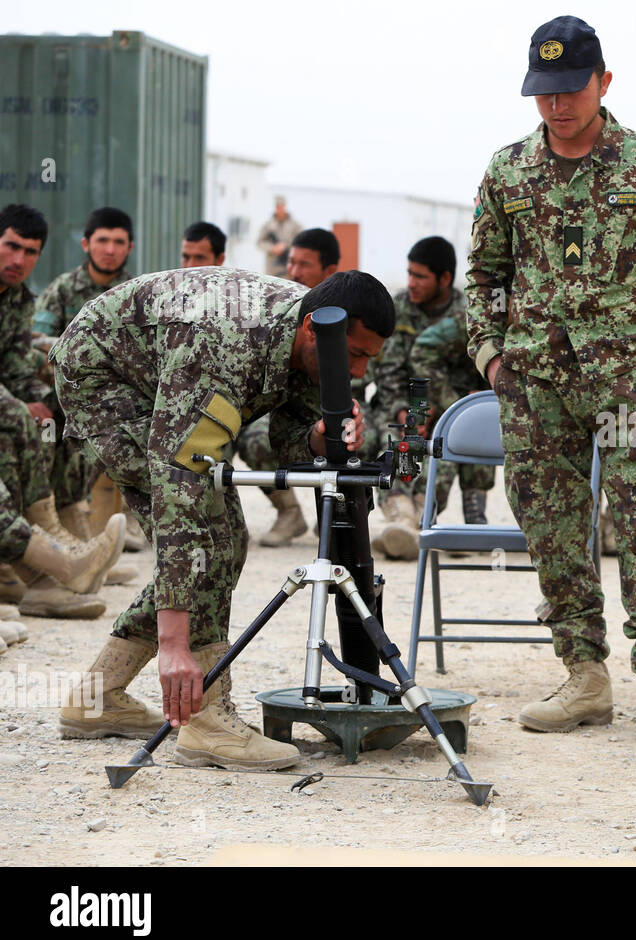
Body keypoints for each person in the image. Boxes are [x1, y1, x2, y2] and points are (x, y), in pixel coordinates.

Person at [467, 15, 636, 751]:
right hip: (535, 384)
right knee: (554, 531)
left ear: (604, 82)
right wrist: (493, 359)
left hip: (633, 382)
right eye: (544, 92)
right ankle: (583, 675)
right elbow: (484, 275)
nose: (557, 105)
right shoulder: (507, 172)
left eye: (571, 89)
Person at [52, 268, 393, 767]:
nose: (358, 370)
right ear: (309, 330)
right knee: (213, 533)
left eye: (366, 357)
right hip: (102, 376)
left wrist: (321, 437)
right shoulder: (220, 348)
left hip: (164, 375)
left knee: (223, 539)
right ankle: (206, 720)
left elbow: (284, 440)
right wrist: (173, 645)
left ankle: (97, 696)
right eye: (355, 355)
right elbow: (179, 491)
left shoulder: (320, 337)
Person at [0, 204, 127, 618]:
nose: (19, 260)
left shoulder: (17, 297)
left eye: (30, 251)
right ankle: (53, 558)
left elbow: (17, 365)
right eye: (11, 247)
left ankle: (55, 546)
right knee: (16, 419)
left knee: (59, 408)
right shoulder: (60, 290)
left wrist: (42, 396)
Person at [371, 237, 495, 560]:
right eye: (409, 274)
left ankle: (435, 523)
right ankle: (404, 518)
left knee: (454, 448)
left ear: (444, 279)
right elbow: (389, 371)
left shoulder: (466, 314)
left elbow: (482, 367)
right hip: (410, 406)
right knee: (397, 444)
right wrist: (406, 412)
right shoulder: (398, 309)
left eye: (420, 276)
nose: (411, 283)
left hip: (455, 408)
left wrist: (462, 403)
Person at [239, 227, 341, 547]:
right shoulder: (273, 311)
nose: (294, 272)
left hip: (333, 410)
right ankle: (289, 512)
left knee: (340, 436)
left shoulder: (347, 318)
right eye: (291, 262)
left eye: (304, 264)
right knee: (254, 436)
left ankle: (336, 523)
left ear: (329, 271)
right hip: (279, 409)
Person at [31, 206, 135, 344]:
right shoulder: (62, 289)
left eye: (119, 242)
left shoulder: (137, 293)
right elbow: (38, 342)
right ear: (86, 244)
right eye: (102, 240)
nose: (110, 250)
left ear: (130, 248)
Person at [256, 196, 300, 278]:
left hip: (289, 265)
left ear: (285, 206)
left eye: (281, 205)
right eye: (278, 206)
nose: (280, 208)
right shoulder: (268, 225)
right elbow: (260, 242)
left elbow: (301, 241)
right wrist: (272, 248)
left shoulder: (295, 225)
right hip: (272, 267)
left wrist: (286, 246)